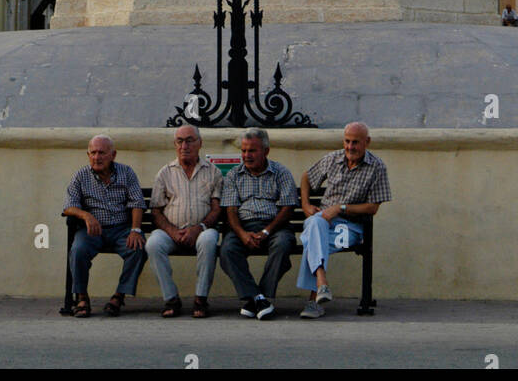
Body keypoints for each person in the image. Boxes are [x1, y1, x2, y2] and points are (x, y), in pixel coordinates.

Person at [297, 122, 391, 319]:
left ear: (367, 142)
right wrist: (305, 205)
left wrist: (340, 208)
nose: (350, 147)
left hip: (351, 227)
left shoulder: (377, 167)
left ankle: (316, 296)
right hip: (322, 221)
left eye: (355, 142)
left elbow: (373, 207)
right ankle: (321, 284)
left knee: (313, 239)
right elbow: (307, 177)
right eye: (347, 141)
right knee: (316, 224)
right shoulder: (333, 158)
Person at [63, 134, 146, 318]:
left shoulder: (127, 173)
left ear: (113, 155)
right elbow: (69, 206)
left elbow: (137, 203)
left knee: (138, 248)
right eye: (92, 153)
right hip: (93, 231)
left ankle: (118, 296)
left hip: (121, 229)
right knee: (78, 250)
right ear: (88, 154)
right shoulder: (81, 176)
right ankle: (82, 297)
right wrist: (86, 215)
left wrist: (135, 230)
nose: (96, 157)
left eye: (101, 153)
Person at [219, 127, 298, 319]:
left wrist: (266, 231)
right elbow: (230, 209)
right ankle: (259, 299)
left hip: (275, 227)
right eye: (244, 151)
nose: (246, 155)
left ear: (266, 151)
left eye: (252, 150)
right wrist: (242, 234)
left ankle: (255, 298)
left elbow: (287, 208)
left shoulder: (281, 172)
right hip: (243, 227)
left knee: (282, 244)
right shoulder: (233, 175)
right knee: (227, 250)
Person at [146, 126, 223, 319]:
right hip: (171, 232)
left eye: (189, 140)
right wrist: (171, 231)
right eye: (180, 141)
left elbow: (216, 209)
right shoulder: (165, 173)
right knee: (153, 244)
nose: (184, 146)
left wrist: (199, 228)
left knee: (208, 240)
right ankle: (171, 299)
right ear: (175, 144)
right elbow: (156, 211)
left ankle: (201, 298)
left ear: (200, 143)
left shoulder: (213, 172)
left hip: (202, 230)